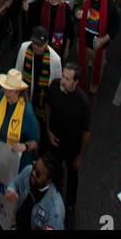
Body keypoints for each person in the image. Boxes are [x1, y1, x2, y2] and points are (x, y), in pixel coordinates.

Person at [44, 62, 91, 229]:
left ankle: (69, 207)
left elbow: (86, 133)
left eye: (68, 79)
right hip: (55, 141)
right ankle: (52, 199)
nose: (63, 80)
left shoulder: (83, 102)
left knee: (72, 178)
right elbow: (48, 105)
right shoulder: (55, 86)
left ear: (76, 82)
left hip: (72, 147)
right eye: (63, 76)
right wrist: (48, 130)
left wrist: (80, 156)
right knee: (53, 171)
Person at [73, 0, 119, 99]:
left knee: (97, 68)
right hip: (83, 40)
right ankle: (81, 85)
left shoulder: (110, 4)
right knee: (81, 64)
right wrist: (76, 13)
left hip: (99, 44)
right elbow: (75, 9)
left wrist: (103, 40)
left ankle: (94, 86)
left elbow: (116, 26)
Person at [0, 67, 41, 159]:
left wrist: (24, 146)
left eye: (10, 94)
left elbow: (35, 142)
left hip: (15, 162)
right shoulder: (3, 94)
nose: (6, 96)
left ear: (18, 91)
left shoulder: (27, 113)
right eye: (5, 90)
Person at [6, 153, 66, 230]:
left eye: (38, 174)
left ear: (49, 181)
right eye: (34, 166)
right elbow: (15, 182)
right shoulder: (29, 170)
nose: (33, 173)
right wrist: (11, 190)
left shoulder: (55, 212)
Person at [15, 25, 63, 116]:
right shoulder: (24, 48)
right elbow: (18, 70)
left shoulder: (55, 59)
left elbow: (57, 85)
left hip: (43, 103)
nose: (36, 47)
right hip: (25, 97)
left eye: (39, 45)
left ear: (46, 43)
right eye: (34, 43)